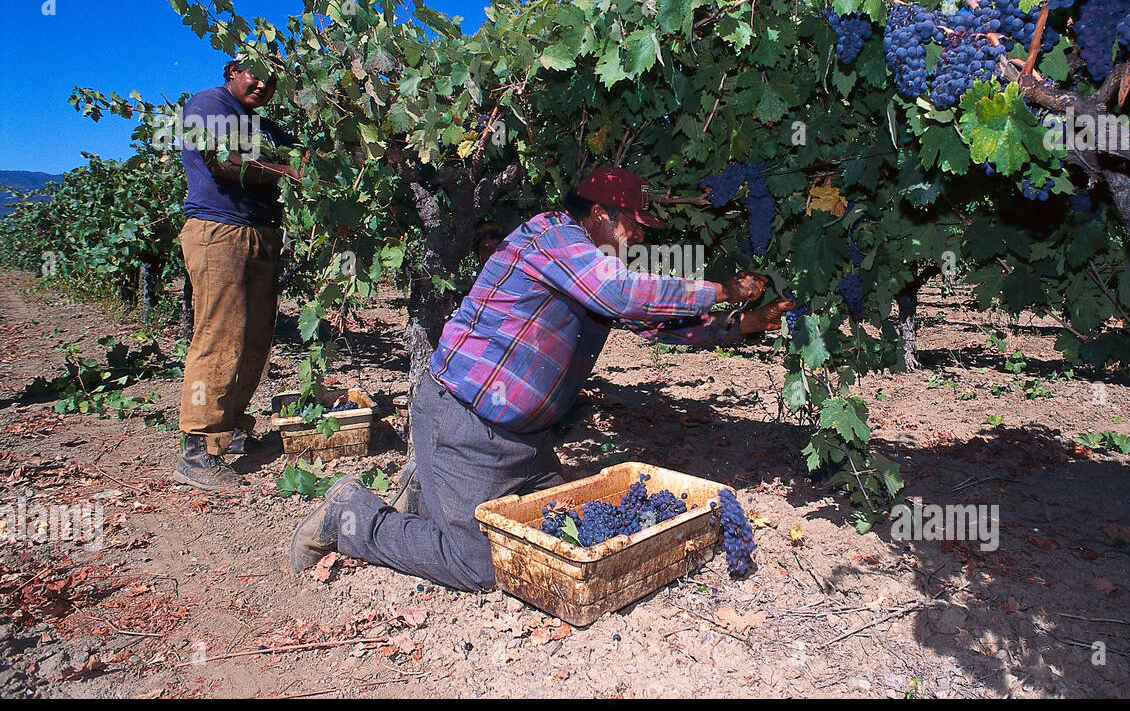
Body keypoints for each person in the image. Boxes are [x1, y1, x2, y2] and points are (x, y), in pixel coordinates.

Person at [288, 166, 791, 588]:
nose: (638, 238)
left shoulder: (590, 266)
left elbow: (649, 321)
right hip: (467, 425)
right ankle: (350, 516)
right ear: (599, 214)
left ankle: (426, 493)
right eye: (632, 226)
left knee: (558, 534)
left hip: (525, 443)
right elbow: (621, 294)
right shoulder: (552, 237)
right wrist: (722, 289)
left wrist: (741, 324)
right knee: (482, 565)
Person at [173, 57, 304, 492]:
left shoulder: (259, 124)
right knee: (219, 334)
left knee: (255, 337)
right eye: (255, 73)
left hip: (260, 234)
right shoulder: (210, 104)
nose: (263, 83)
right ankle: (196, 446)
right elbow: (223, 161)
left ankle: (227, 429)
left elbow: (307, 157)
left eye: (272, 79)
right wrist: (289, 172)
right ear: (232, 71)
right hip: (219, 231)